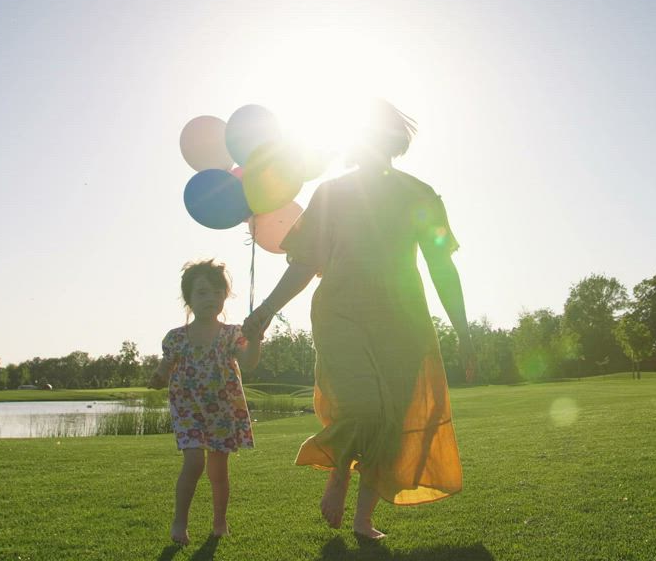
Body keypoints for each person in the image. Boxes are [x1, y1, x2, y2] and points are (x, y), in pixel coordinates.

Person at [243, 100, 474, 540]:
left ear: (394, 138)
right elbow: (304, 263)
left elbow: (442, 267)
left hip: (403, 323)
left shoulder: (420, 194)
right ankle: (337, 476)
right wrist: (266, 309)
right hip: (340, 314)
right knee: (364, 408)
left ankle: (363, 519)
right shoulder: (330, 195)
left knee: (390, 421)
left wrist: (463, 331)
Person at [148, 259, 262, 545]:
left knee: (218, 470)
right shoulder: (176, 338)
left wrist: (256, 338)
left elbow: (249, 363)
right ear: (188, 298)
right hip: (188, 409)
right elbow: (165, 367)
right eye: (201, 292)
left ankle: (219, 522)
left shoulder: (233, 334)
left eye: (217, 292)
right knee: (194, 461)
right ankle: (180, 522)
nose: (210, 298)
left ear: (225, 296)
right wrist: (159, 377)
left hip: (223, 410)